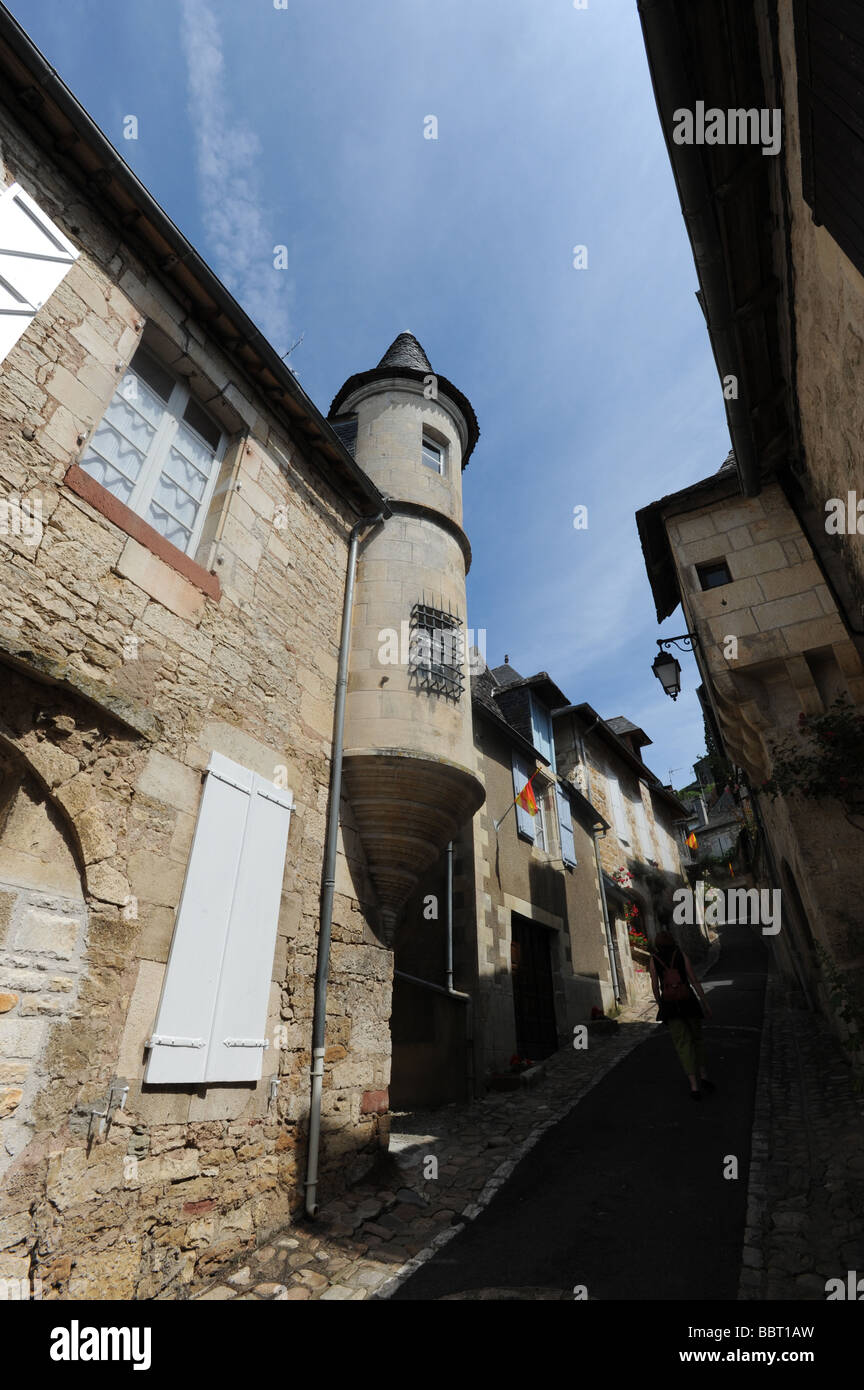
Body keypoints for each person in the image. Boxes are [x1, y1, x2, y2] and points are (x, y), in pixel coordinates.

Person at [649, 929, 713, 1100]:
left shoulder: (654, 959)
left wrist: (660, 1003)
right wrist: (705, 1003)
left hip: (670, 1006)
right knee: (697, 1039)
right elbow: (693, 979)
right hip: (688, 1002)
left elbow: (655, 985)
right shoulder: (681, 954)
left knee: (682, 1044)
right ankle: (704, 1076)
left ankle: (694, 1086)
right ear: (672, 941)